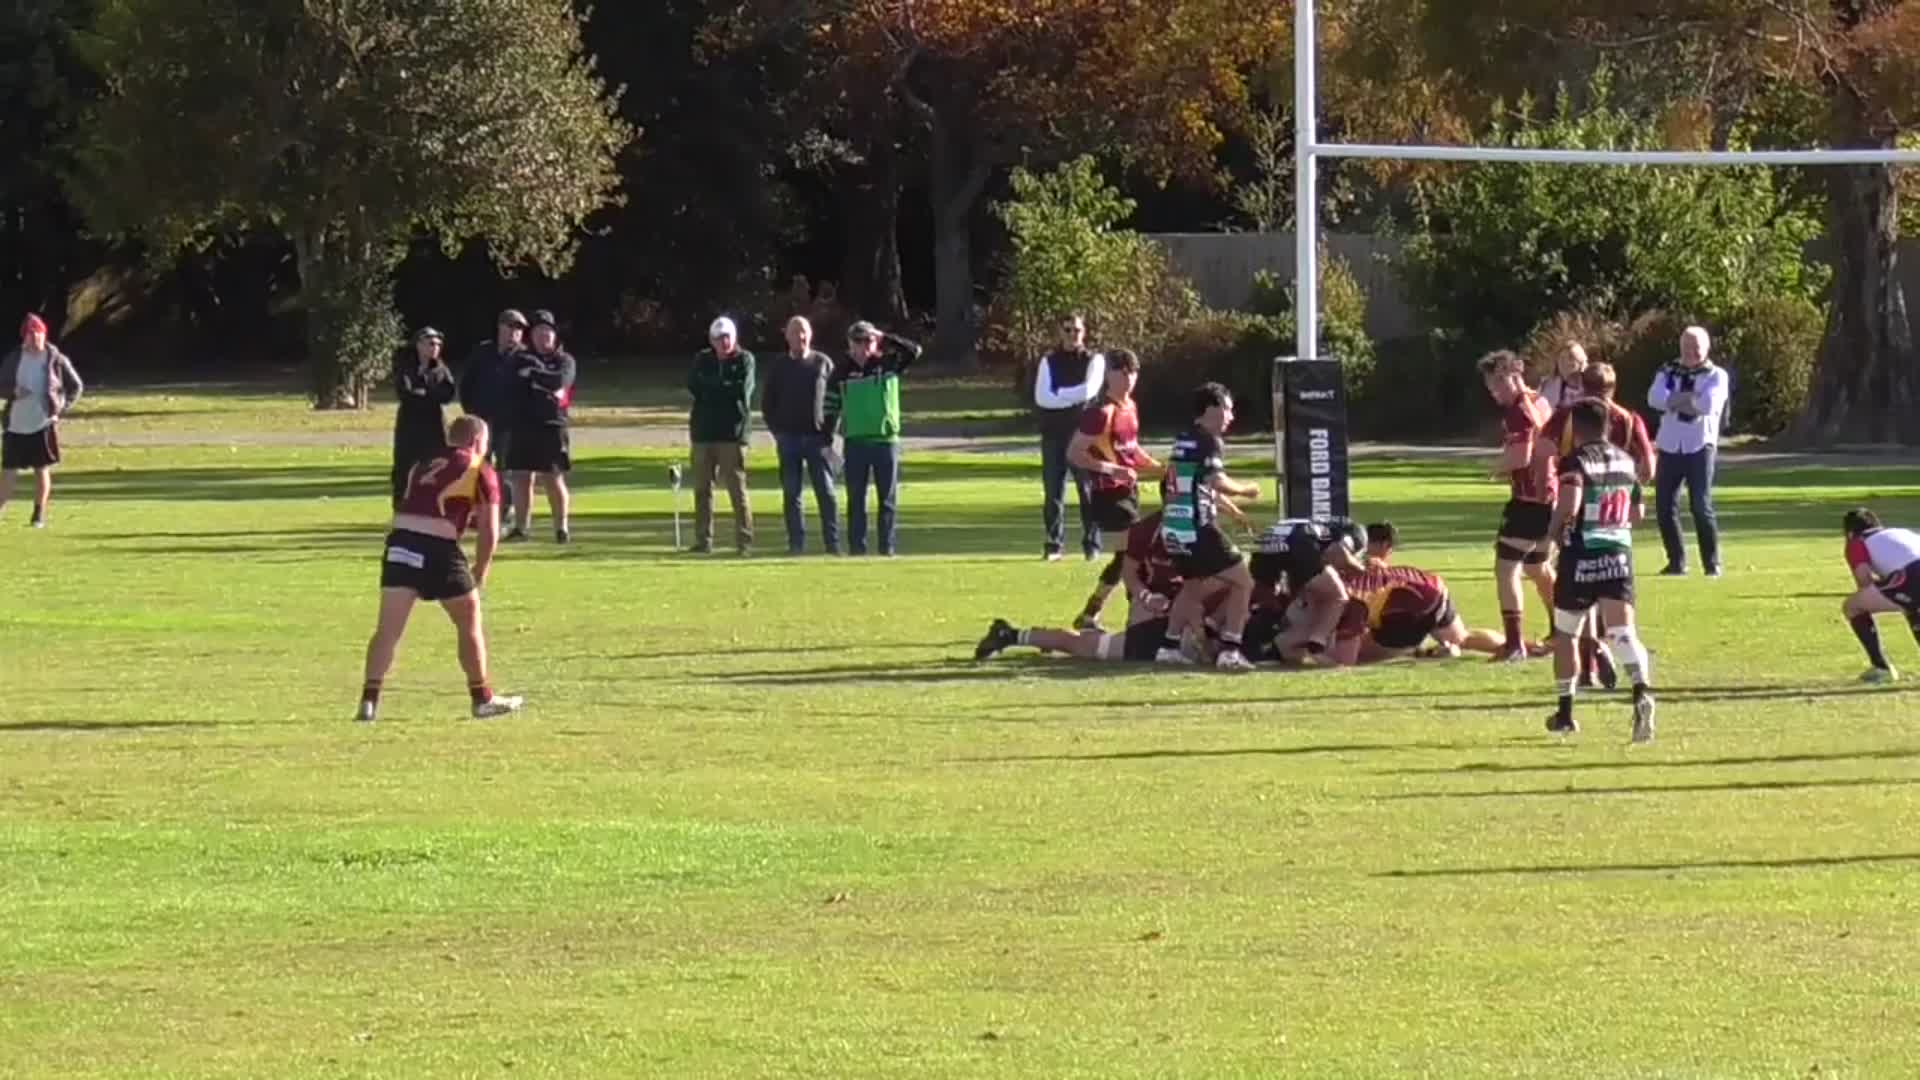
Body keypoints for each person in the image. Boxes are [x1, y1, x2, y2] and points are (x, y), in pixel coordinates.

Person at [357, 415, 524, 723]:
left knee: (388, 630)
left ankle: (369, 702)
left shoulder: (422, 465)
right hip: (438, 550)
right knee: (468, 618)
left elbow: (423, 505)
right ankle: (482, 698)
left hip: (400, 544)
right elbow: (489, 529)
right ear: (476, 441)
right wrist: (482, 568)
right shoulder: (479, 469)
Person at [1545, 401, 1656, 742]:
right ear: (1607, 426)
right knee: (1623, 631)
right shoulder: (1626, 460)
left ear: (1576, 429)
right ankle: (1641, 690)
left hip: (1581, 554)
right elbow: (1637, 513)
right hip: (1617, 554)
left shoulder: (1575, 461)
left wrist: (1554, 531)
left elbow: (1570, 501)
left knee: (1567, 633)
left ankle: (1565, 713)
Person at [1158, 382, 1262, 671]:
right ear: (1212, 408)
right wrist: (1246, 490)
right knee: (1244, 581)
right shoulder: (1209, 441)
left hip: (1175, 526)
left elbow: (1194, 485)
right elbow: (1216, 482)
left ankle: (1169, 647)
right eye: (1228, 409)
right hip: (1197, 526)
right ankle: (1230, 650)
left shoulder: (1183, 439)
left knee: (1191, 586)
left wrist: (1234, 513)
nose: (1231, 416)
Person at [1068, 348, 1159, 629]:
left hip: (1128, 492)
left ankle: (1090, 613)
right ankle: (1138, 618)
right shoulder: (1099, 413)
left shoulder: (1130, 407)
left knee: (1127, 557)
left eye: (1133, 372)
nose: (1129, 378)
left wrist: (1162, 469)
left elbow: (1132, 451)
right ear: (1108, 375)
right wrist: (1112, 470)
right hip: (1108, 494)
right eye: (1122, 372)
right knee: (1133, 555)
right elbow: (1075, 453)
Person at [1480, 349, 1557, 662]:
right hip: (1551, 497)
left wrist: (1496, 468)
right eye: (1490, 386)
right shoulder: (1540, 400)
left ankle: (1514, 644)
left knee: (1506, 568)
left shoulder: (1518, 411)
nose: (1495, 392)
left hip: (1528, 501)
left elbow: (1522, 455)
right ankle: (1563, 630)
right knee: (1538, 567)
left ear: (1514, 374)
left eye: (1498, 384)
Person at [828, 320, 920, 556]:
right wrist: (828, 441)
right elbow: (831, 406)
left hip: (885, 441)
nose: (863, 346)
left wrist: (885, 336)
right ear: (850, 343)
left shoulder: (887, 364)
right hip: (855, 441)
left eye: (868, 340)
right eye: (858, 341)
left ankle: (886, 548)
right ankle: (857, 549)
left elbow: (914, 351)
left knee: (886, 499)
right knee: (856, 499)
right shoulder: (841, 371)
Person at [1649, 325, 1729, 577]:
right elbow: (1654, 398)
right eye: (1686, 347)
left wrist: (1676, 400)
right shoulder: (1667, 371)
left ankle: (1712, 563)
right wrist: (1688, 398)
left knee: (1700, 505)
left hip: (1700, 445)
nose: (1691, 352)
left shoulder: (1716, 375)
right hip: (1670, 444)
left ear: (1706, 348)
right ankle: (1676, 562)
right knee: (1664, 505)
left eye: (1696, 347)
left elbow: (1708, 404)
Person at [762, 315, 839, 554]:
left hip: (818, 440)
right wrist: (778, 432)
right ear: (787, 336)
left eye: (804, 332)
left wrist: (829, 434)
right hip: (789, 440)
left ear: (810, 334)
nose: (800, 337)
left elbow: (834, 401)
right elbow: (767, 404)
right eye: (795, 333)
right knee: (792, 493)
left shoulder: (823, 363)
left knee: (826, 494)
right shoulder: (778, 366)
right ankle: (796, 544)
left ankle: (832, 544)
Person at [1033, 313, 1106, 561]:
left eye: (1076, 330)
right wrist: (1070, 397)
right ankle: (1054, 545)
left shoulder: (1094, 359)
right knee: (1053, 492)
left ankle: (1092, 544)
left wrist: (1060, 394)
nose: (1072, 334)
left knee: (1087, 491)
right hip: (1053, 434)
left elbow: (1089, 391)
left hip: (1083, 434)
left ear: (1084, 332)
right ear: (1060, 332)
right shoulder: (1048, 361)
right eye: (1067, 330)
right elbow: (1042, 398)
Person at [0, 313, 83, 527]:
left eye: (38, 333)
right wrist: (13, 392)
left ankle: (38, 514)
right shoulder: (14, 358)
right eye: (30, 334)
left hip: (42, 424)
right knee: (8, 471)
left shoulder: (55, 359)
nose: (35, 338)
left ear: (44, 335)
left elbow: (76, 387)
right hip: (16, 424)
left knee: (41, 469)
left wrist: (59, 409)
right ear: (24, 337)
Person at [505, 310, 576, 543]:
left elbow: (559, 382)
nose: (543, 335)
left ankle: (561, 527)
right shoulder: (519, 358)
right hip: (523, 424)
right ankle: (521, 528)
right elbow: (516, 383)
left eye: (547, 331)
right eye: (538, 331)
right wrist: (542, 380)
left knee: (552, 477)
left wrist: (535, 375)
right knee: (521, 476)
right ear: (530, 336)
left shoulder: (565, 361)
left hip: (552, 424)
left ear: (554, 335)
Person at [687, 316, 756, 555]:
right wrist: (720, 386)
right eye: (718, 338)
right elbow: (694, 386)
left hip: (732, 435)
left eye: (727, 336)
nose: (723, 342)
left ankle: (744, 541)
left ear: (734, 337)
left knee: (737, 490)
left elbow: (740, 392)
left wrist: (714, 387)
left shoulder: (745, 360)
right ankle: (703, 540)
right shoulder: (701, 360)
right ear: (712, 340)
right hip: (703, 434)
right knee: (702, 490)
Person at [459, 309, 530, 519]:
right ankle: (480, 508)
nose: (514, 333)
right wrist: (472, 415)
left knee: (507, 468)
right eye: (511, 327)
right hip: (482, 421)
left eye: (519, 329)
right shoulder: (482, 352)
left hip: (510, 423)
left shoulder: (525, 356)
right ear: (500, 327)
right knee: (479, 465)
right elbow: (467, 385)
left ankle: (503, 511)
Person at [1838, 508, 1920, 684]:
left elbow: (1864, 582)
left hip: (1913, 577)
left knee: (1852, 606)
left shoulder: (1857, 542)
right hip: (1912, 574)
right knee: (1910, 606)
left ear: (1850, 532)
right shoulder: (1900, 532)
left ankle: (1881, 668)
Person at [390, 326, 455, 507]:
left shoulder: (441, 369)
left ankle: (432, 507)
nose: (435, 347)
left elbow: (448, 394)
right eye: (431, 343)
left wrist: (424, 393)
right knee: (405, 467)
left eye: (438, 344)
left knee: (436, 465)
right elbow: (405, 392)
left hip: (434, 424)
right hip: (409, 425)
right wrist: (430, 394)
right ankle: (401, 507)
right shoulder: (405, 366)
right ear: (419, 345)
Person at [1539, 342, 1589, 411]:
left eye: (1571, 357)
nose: (1565, 362)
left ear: (1581, 362)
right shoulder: (1547, 384)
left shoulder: (1591, 385)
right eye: (1562, 358)